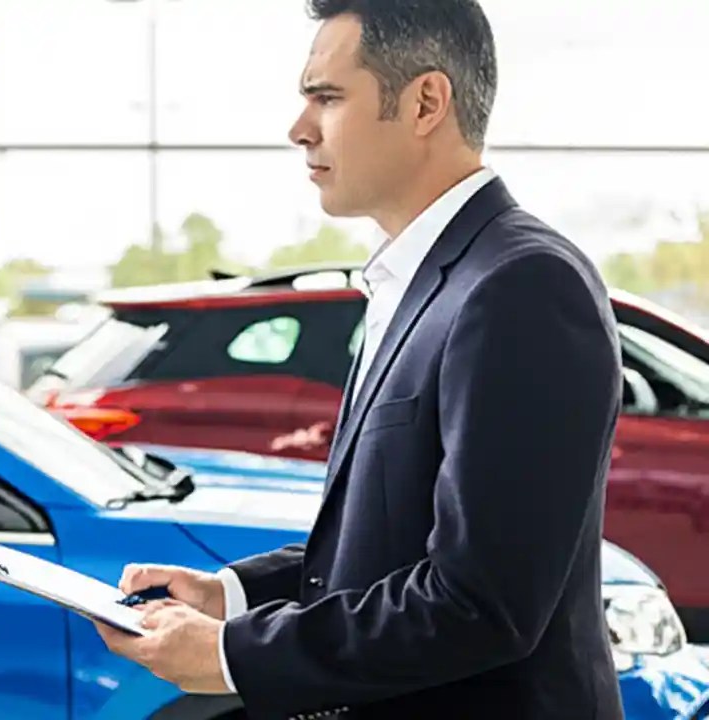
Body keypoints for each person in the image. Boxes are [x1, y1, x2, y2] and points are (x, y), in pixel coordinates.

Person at [92, 1, 625, 718]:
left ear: (425, 102)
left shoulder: (520, 287)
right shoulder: (421, 281)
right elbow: (394, 546)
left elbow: (480, 601)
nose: (299, 127)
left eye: (327, 97)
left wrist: (230, 654)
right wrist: (233, 596)